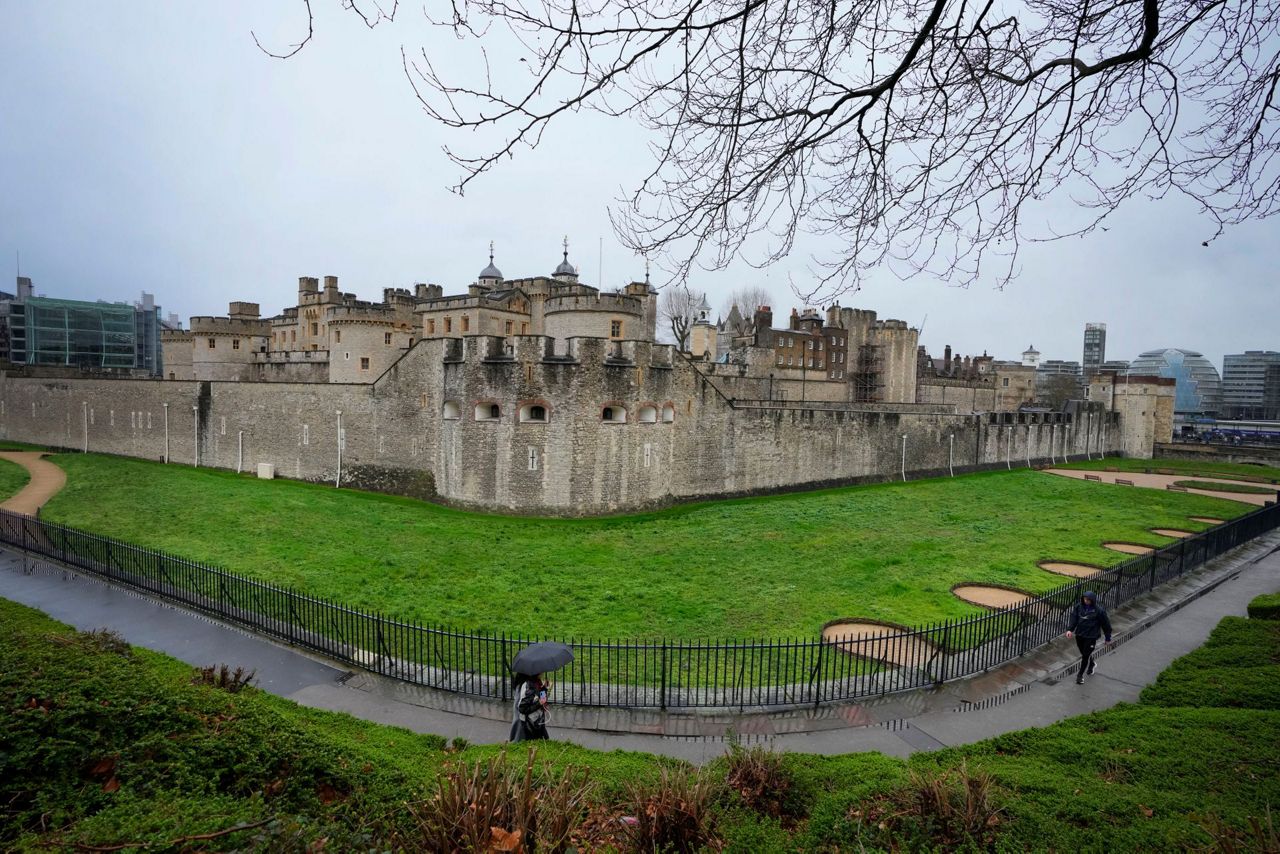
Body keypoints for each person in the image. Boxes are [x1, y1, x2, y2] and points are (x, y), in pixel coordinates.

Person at [1065, 590, 1112, 684]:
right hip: (1080, 634)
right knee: (1084, 653)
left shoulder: (1099, 611)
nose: (1086, 601)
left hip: (1091, 636)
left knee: (1085, 656)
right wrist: (1070, 629)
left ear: (1092, 600)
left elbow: (1106, 625)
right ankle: (1092, 664)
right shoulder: (1079, 607)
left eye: (1088, 600)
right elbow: (1074, 618)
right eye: (1085, 599)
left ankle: (1080, 676)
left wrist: (1108, 638)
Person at [509, 673, 551, 741]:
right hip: (531, 724)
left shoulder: (537, 682)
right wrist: (539, 703)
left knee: (542, 741)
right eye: (541, 671)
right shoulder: (529, 686)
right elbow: (523, 709)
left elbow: (541, 699)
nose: (543, 673)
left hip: (537, 720)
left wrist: (544, 688)